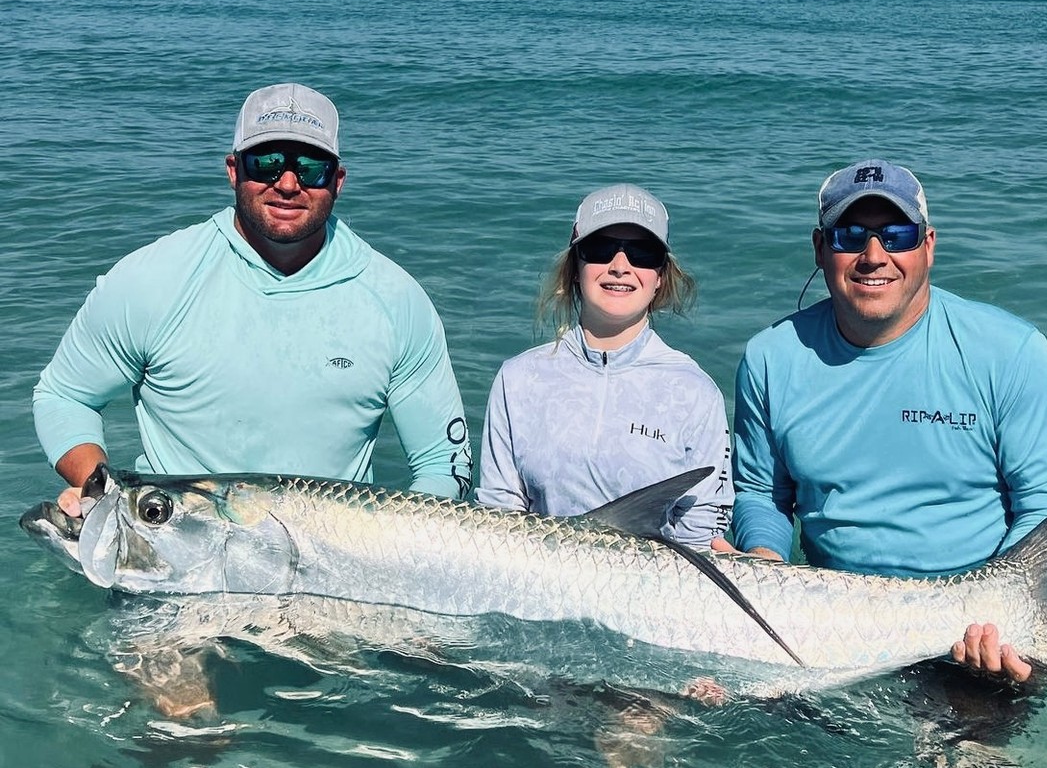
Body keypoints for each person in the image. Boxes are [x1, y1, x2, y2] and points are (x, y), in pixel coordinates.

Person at [726, 158, 1047, 682]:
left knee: (968, 760)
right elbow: (762, 494)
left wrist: (996, 609)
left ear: (929, 245)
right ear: (819, 247)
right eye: (851, 235)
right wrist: (763, 560)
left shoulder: (1013, 352)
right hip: (826, 623)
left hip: (980, 633)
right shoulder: (769, 357)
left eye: (897, 235)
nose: (875, 256)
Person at [34, 83, 471, 514]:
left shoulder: (397, 300)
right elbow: (64, 396)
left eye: (310, 167)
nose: (286, 183)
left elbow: (443, 462)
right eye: (266, 163)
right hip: (174, 565)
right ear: (233, 170)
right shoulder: (152, 280)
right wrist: (104, 494)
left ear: (337, 181)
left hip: (334, 573)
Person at [475, 182, 732, 548]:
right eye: (602, 248)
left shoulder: (695, 392)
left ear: (660, 277)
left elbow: (700, 533)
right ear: (575, 266)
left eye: (642, 253)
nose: (620, 267)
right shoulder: (517, 379)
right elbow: (499, 514)